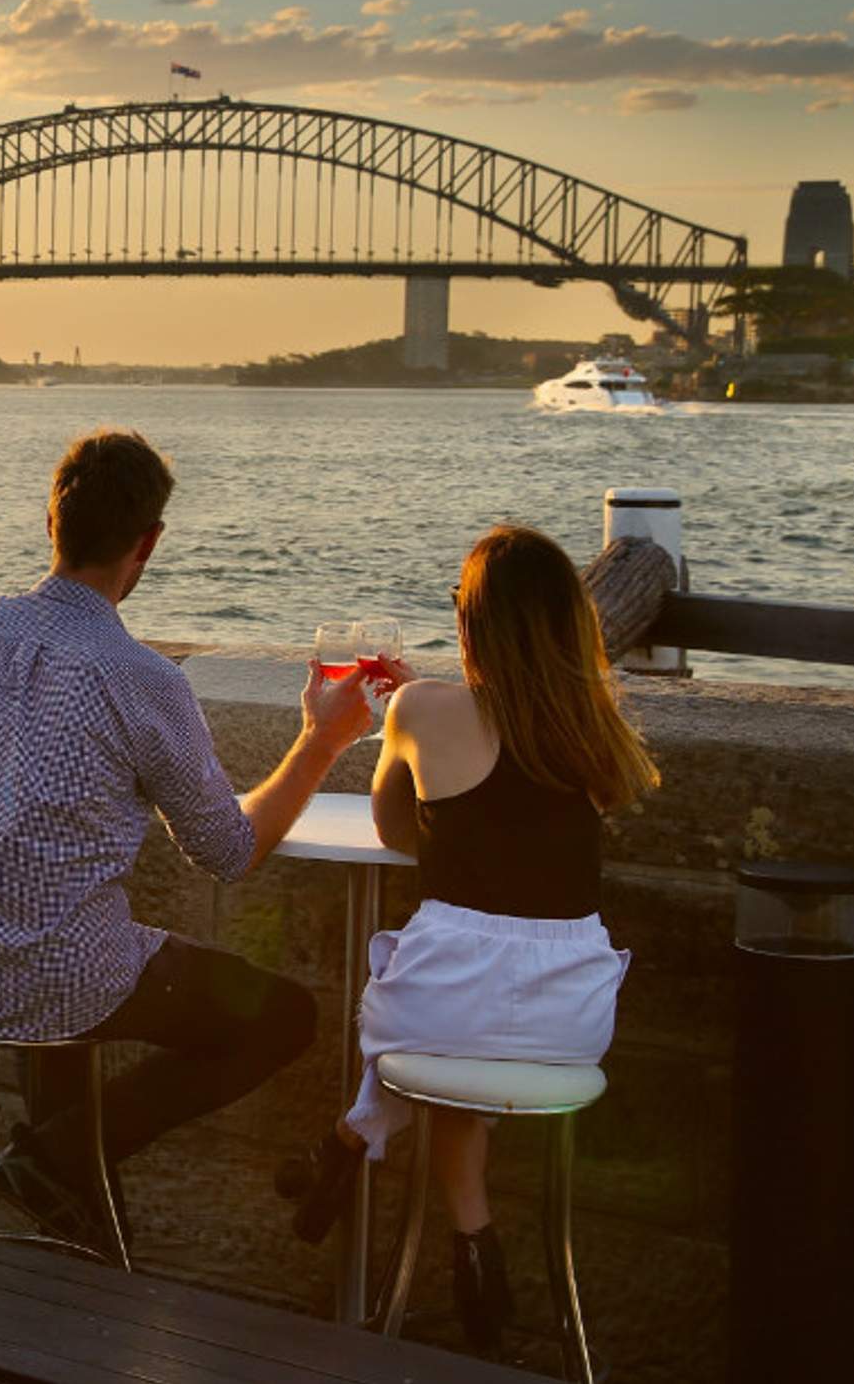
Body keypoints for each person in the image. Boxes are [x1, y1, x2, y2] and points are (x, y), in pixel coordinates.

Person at [0, 427, 373, 1245]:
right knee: (284, 1018)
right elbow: (227, 851)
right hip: (69, 975)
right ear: (147, 545)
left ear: (50, 522)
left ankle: (70, 1217)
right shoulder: (142, 679)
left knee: (57, 989)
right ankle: (64, 1159)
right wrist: (320, 742)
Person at [282, 524, 650, 1357]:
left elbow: (397, 830)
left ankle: (351, 1143)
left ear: (470, 623)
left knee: (448, 1022)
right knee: (464, 1055)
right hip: (572, 1018)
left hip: (447, 1000)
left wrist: (415, 721)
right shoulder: (596, 725)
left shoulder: (420, 708)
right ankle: (474, 1261)